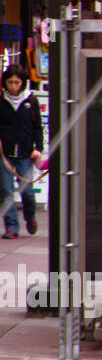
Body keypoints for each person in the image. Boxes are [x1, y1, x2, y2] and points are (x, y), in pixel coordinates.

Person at [0, 65, 42, 239]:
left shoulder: (31, 101)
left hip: (25, 154)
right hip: (4, 154)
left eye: (17, 82)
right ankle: (11, 227)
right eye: (10, 82)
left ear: (22, 83)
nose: (13, 86)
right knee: (6, 191)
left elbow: (37, 127)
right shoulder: (1, 100)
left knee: (28, 192)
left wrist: (38, 149)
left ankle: (30, 218)